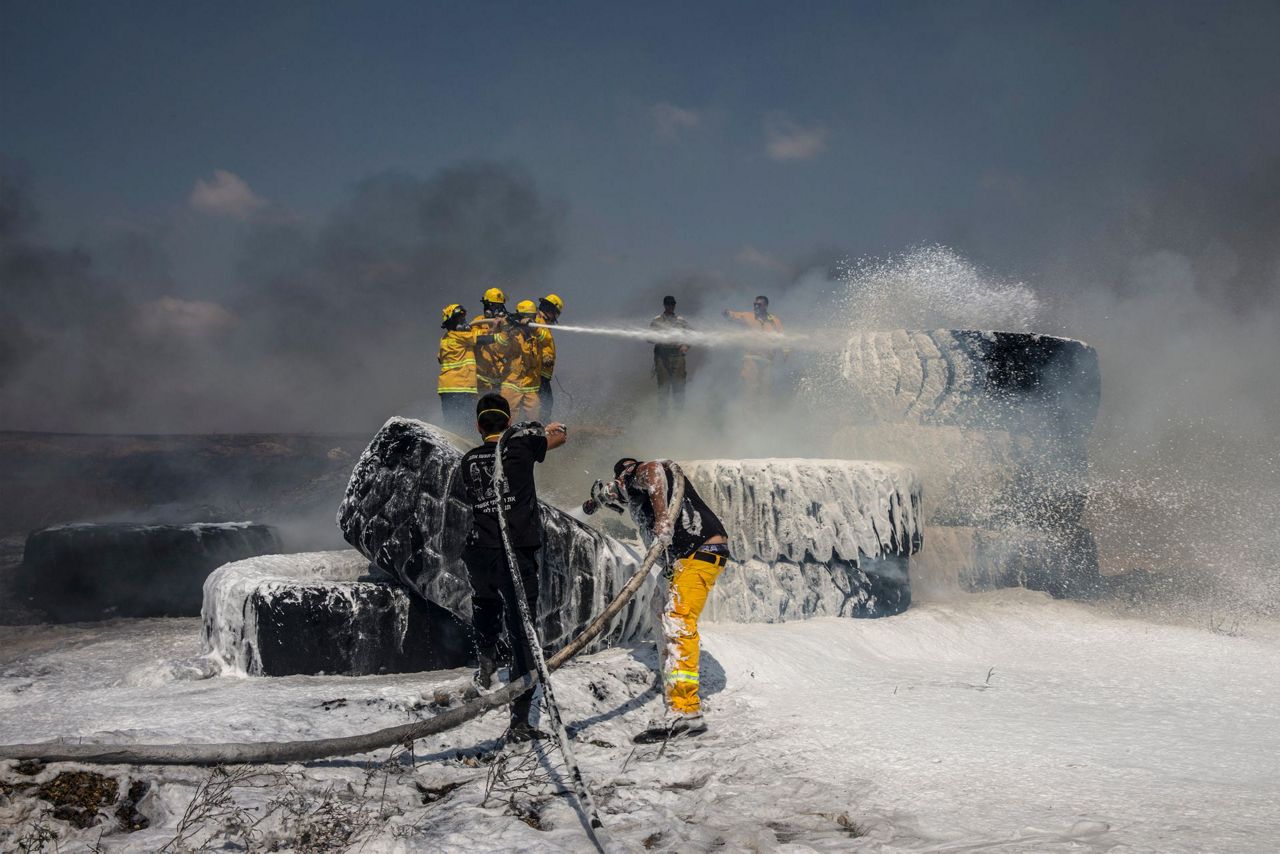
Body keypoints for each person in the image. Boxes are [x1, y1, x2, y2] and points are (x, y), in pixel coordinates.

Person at [582, 457, 730, 742]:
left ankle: (685, 711)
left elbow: (651, 472)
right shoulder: (631, 489)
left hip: (697, 551)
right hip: (683, 559)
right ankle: (676, 692)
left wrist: (663, 520)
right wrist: (593, 504)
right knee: (660, 611)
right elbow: (610, 494)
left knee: (677, 620)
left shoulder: (641, 472)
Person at [459, 392, 568, 742]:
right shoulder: (520, 448)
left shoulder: (468, 460)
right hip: (514, 552)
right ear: (507, 422)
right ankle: (520, 718)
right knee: (522, 628)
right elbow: (560, 435)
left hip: (481, 551)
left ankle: (486, 663)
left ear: (478, 426)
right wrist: (539, 428)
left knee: (485, 604)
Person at [436, 303, 498, 434]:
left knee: (452, 424)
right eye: (460, 319)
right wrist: (497, 326)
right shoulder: (461, 337)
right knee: (468, 424)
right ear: (452, 322)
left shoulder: (444, 339)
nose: (463, 322)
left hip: (446, 388)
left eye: (463, 319)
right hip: (461, 387)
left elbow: (440, 358)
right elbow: (487, 339)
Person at [723, 295, 784, 406]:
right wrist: (728, 313)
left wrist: (786, 351)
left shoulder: (774, 321)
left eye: (759, 304)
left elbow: (782, 337)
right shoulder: (748, 316)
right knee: (750, 387)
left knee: (767, 388)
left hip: (768, 361)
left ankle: (764, 415)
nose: (756, 306)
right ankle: (748, 415)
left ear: (765, 306)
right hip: (751, 358)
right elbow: (736, 316)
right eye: (754, 304)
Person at [498, 300, 545, 422]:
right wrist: (507, 331)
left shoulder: (537, 334)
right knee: (508, 417)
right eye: (528, 317)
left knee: (534, 417)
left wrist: (535, 329)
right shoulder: (513, 334)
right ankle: (505, 439)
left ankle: (532, 438)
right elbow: (499, 349)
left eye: (532, 317)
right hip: (511, 383)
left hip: (530, 385)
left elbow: (547, 341)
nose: (530, 320)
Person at [649, 296, 692, 411]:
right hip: (662, 358)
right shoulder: (657, 320)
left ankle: (678, 420)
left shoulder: (680, 320)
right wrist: (658, 338)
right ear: (664, 305)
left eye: (672, 304)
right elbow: (648, 338)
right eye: (668, 304)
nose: (670, 306)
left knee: (679, 389)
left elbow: (693, 335)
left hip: (678, 358)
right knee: (663, 389)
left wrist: (686, 346)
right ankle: (663, 420)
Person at [471, 287, 509, 394]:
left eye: (500, 307)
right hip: (481, 381)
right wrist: (492, 329)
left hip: (499, 380)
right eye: (495, 307)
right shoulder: (478, 322)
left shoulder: (504, 324)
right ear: (487, 307)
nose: (498, 311)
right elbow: (474, 338)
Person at [534, 294, 563, 418]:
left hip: (542, 373)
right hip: (537, 372)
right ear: (550, 310)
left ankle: (542, 425)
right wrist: (546, 356)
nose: (555, 317)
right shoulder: (538, 323)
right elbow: (539, 343)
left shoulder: (542, 324)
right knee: (545, 403)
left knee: (546, 402)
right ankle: (541, 426)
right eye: (556, 313)